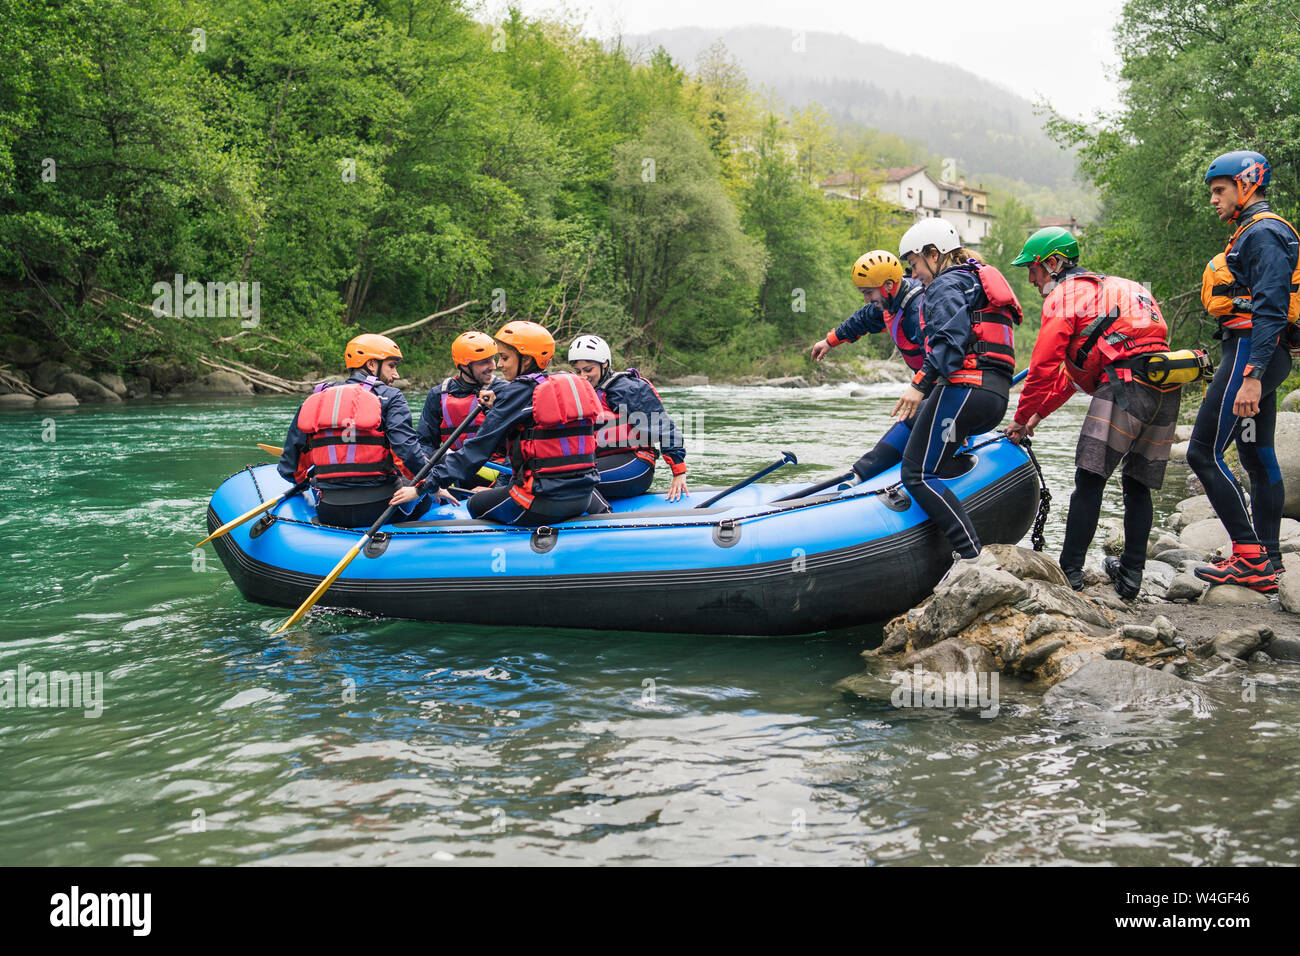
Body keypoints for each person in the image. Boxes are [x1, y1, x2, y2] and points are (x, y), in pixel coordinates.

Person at [1005, 227, 1182, 598]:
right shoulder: (1115, 288)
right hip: (1165, 383)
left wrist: (1020, 417)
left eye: (1033, 270)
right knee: (1137, 485)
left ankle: (1069, 574)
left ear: (1052, 264)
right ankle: (1131, 577)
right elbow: (1074, 373)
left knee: (1089, 480)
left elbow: (1042, 366)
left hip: (1125, 384)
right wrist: (1038, 415)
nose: (1032, 279)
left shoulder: (1065, 297)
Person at [1187, 150, 1300, 594]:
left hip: (1252, 355)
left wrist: (1251, 374)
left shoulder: (1264, 233)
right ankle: (1268, 560)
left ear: (1247, 184)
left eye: (1219, 190)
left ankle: (1250, 557)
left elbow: (1270, 308)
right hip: (1262, 355)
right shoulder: (1255, 232)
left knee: (1202, 452)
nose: (1214, 200)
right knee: (1255, 454)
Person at [891, 218, 1021, 576]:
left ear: (934, 254)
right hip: (992, 397)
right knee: (936, 462)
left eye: (914, 264)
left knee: (916, 474)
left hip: (966, 390)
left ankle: (970, 556)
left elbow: (950, 342)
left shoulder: (946, 284)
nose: (913, 275)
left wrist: (919, 385)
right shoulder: (972, 279)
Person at [392, 321, 605, 526]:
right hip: (582, 497)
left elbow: (475, 452)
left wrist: (422, 488)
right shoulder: (569, 385)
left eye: (504, 357)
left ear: (527, 359)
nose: (498, 365)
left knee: (475, 504)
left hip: (540, 503)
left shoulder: (514, 393)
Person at [278, 333, 433, 527]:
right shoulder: (391, 397)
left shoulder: (316, 399)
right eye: (391, 366)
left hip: (329, 510)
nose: (396, 375)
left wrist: (309, 480)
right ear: (371, 365)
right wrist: (433, 483)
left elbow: (289, 471)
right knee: (426, 497)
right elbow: (408, 456)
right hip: (381, 509)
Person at [811, 250, 927, 480]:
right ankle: (865, 473)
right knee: (912, 421)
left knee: (911, 422)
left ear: (888, 285)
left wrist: (918, 387)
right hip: (928, 382)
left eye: (868, 292)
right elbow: (862, 319)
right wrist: (829, 341)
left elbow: (943, 358)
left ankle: (862, 474)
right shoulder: (890, 302)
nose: (866, 298)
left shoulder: (918, 310)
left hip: (942, 381)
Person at [568, 334, 689, 502]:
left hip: (637, 464)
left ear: (605, 364)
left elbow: (663, 427)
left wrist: (679, 472)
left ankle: (604, 519)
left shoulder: (628, 389)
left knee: (571, 482)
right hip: (603, 461)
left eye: (588, 370)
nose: (582, 376)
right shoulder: (583, 391)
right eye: (578, 371)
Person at [415, 330, 509, 493]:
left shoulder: (503, 391)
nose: (493, 366)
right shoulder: (438, 394)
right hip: (452, 469)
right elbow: (425, 442)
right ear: (465, 364)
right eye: (485, 362)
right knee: (437, 455)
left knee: (445, 458)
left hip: (494, 469)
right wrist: (425, 475)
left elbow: (516, 446)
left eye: (493, 359)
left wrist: (499, 487)